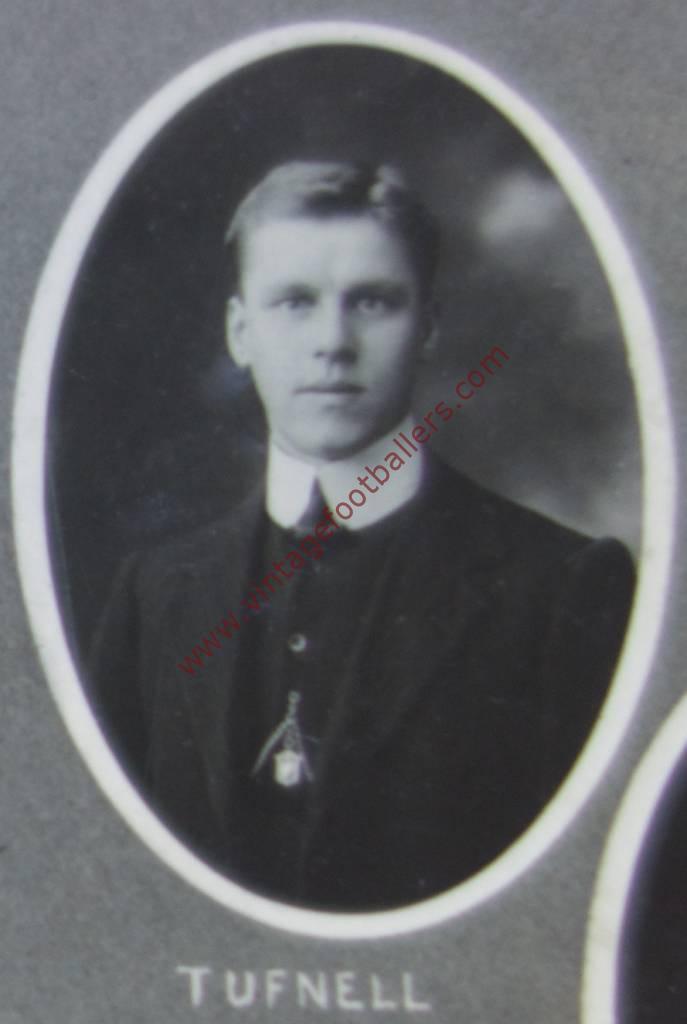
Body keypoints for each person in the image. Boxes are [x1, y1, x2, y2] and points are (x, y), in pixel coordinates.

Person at [90, 161, 635, 911]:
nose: (332, 343)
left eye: (372, 302)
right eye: (294, 303)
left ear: (429, 327)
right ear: (240, 332)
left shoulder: (564, 588)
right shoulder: (152, 593)